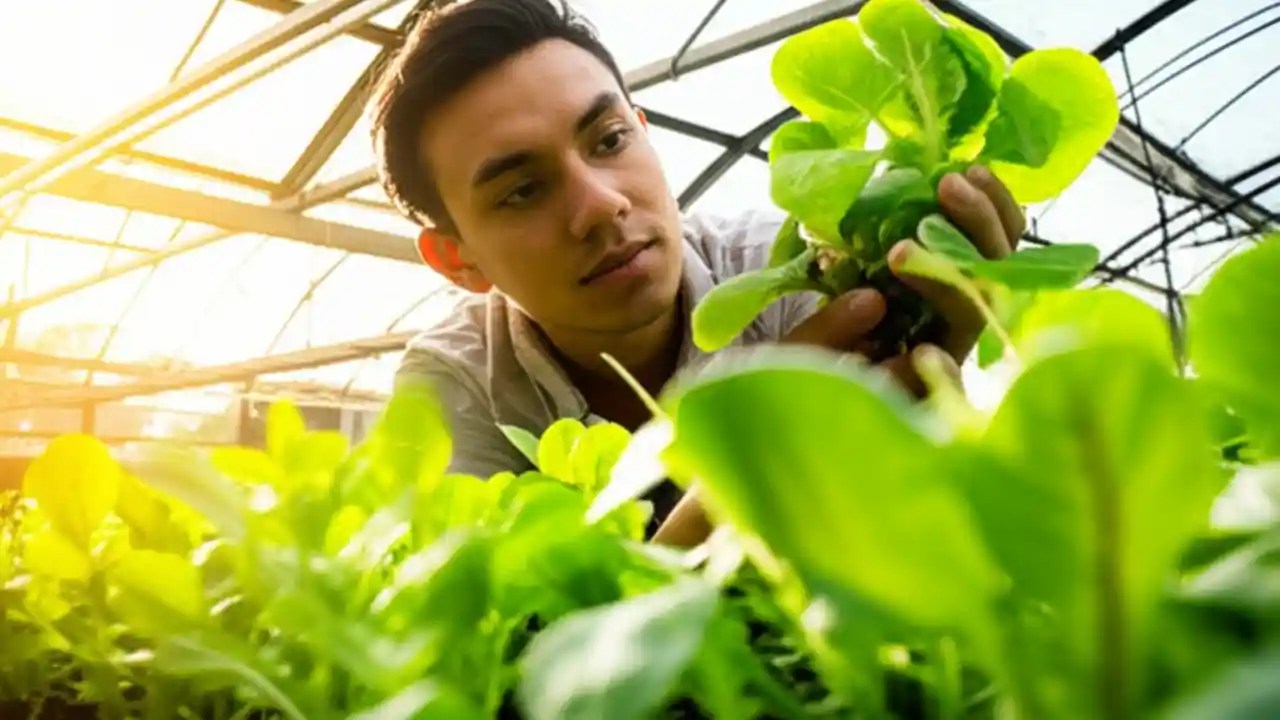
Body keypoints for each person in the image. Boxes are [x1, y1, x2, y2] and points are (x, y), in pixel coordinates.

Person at [368, 0, 1026, 544]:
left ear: (644, 131)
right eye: (521, 190)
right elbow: (511, 667)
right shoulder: (454, 384)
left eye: (609, 140)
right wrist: (746, 477)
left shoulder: (799, 268)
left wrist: (936, 352)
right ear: (458, 260)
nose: (600, 204)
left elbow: (899, 532)